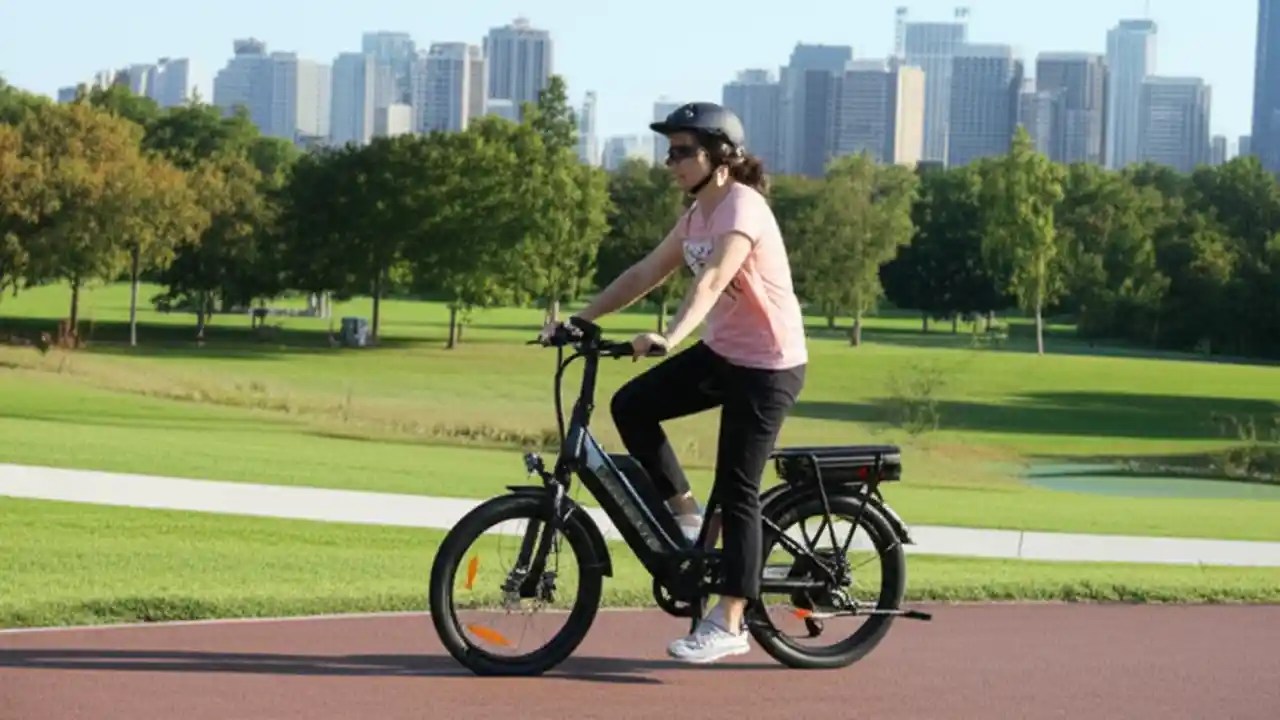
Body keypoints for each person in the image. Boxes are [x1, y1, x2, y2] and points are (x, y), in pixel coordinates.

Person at [541, 101, 808, 664]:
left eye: (684, 151)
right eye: (670, 151)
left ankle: (732, 619)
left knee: (738, 489)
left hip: (768, 367)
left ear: (720, 158)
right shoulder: (696, 215)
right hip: (723, 355)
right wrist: (582, 322)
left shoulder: (743, 207)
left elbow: (713, 279)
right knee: (632, 405)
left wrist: (670, 333)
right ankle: (686, 514)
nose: (672, 161)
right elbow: (644, 272)